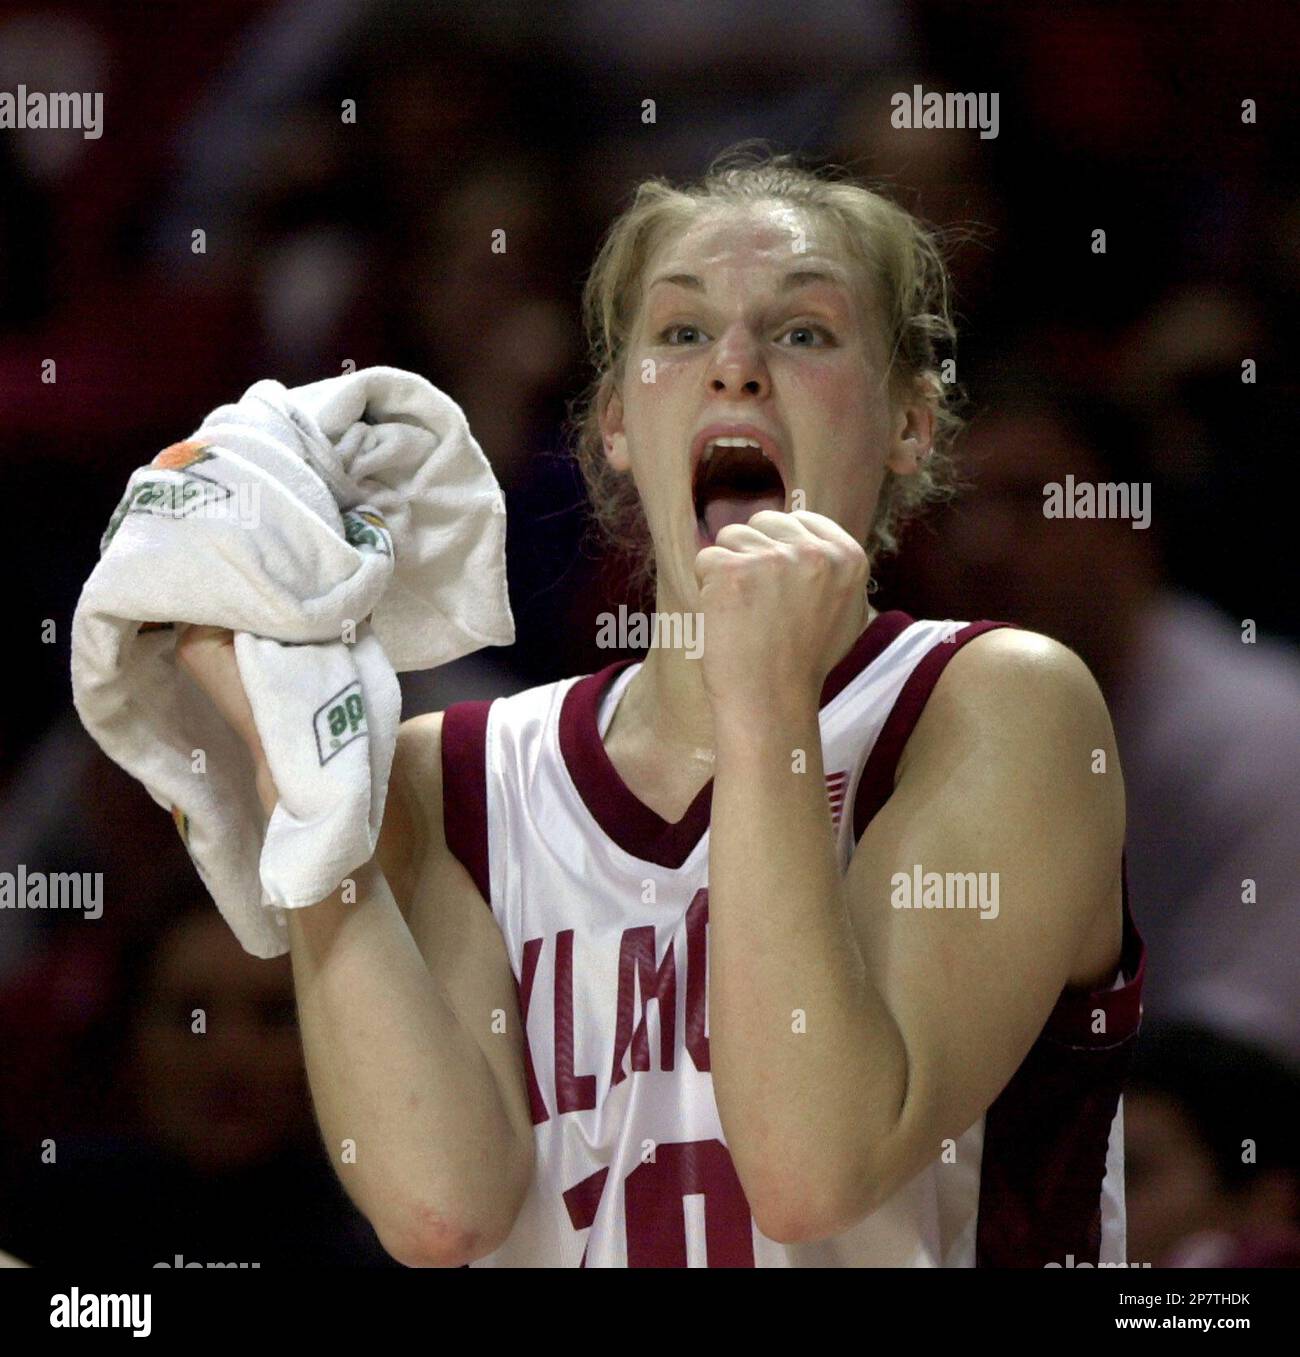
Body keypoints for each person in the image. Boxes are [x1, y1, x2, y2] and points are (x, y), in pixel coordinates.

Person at [176, 146, 1143, 1268]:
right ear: (616, 429)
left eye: (803, 332)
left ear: (910, 426)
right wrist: (296, 772)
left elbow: (810, 1168)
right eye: (680, 334)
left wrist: (767, 705)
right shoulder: (455, 774)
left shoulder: (999, 705)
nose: (734, 366)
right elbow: (439, 1210)